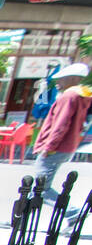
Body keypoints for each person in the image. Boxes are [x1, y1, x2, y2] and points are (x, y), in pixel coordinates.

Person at [32, 62, 92, 201]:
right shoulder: (82, 97)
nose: (58, 82)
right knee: (36, 188)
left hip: (56, 147)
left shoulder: (69, 96)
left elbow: (61, 124)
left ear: (73, 78)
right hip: (67, 146)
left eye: (61, 78)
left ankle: (72, 213)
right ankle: (17, 218)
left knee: (41, 189)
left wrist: (49, 146)